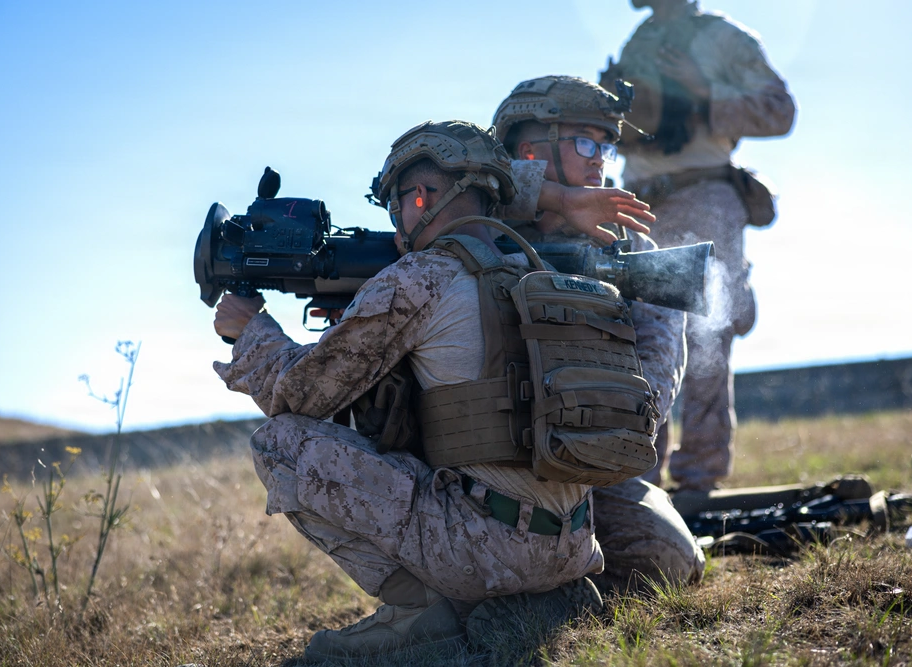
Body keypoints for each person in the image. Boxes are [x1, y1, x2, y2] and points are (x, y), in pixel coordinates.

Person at [211, 120, 648, 660]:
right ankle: (545, 594)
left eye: (397, 208)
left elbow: (300, 395)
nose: (397, 227)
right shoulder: (539, 276)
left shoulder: (421, 277)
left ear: (421, 197)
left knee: (281, 443)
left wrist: (250, 331)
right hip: (575, 548)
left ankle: (425, 618)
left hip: (488, 551)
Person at [493, 75, 705, 588]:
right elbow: (440, 173)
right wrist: (551, 198)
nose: (600, 159)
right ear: (529, 151)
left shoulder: (627, 242)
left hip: (591, 460)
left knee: (670, 561)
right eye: (584, 142)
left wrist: (600, 444)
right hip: (489, 460)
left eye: (605, 145)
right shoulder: (478, 220)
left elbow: (659, 362)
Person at [600, 0, 797, 491]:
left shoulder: (724, 38)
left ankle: (697, 481)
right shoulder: (638, 42)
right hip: (639, 204)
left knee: (707, 334)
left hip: (703, 194)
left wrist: (702, 88)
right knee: (642, 337)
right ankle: (640, 479)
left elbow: (779, 110)